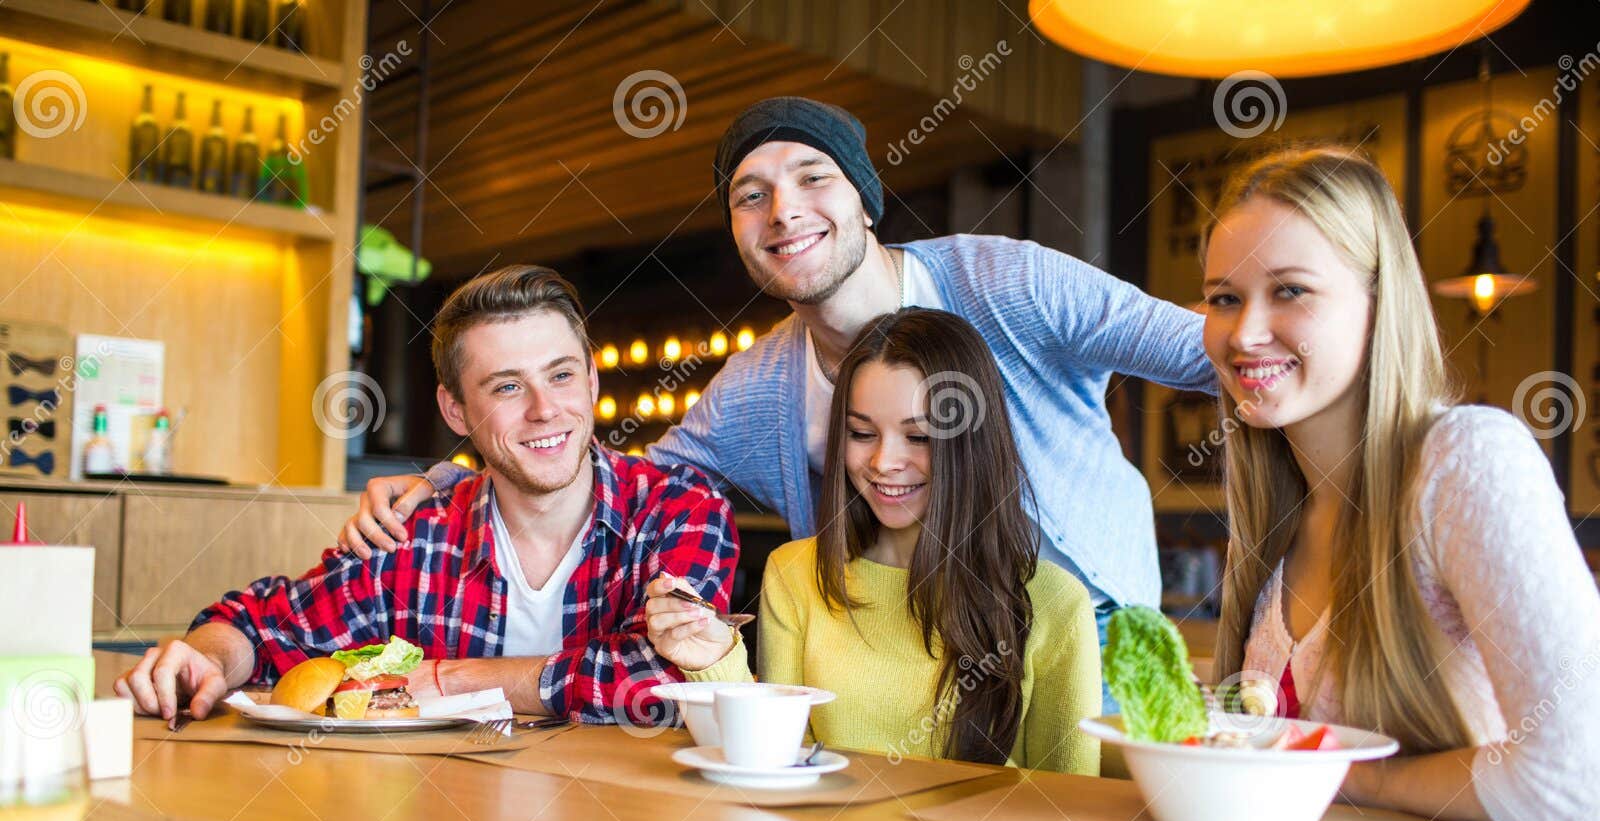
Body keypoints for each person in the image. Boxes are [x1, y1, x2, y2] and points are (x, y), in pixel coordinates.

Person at [336, 97, 1217, 709]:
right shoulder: (757, 389)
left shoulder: (1007, 283)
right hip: (908, 665)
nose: (782, 211)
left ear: (865, 201)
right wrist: (447, 478)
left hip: (1100, 632)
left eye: (812, 178)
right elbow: (613, 478)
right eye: (749, 196)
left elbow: (1214, 353)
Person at [114, 266, 739, 725]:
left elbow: (670, 675)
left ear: (592, 380)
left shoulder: (681, 510)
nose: (546, 409)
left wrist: (452, 679)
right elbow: (259, 624)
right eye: (506, 387)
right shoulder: (416, 532)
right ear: (455, 410)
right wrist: (205, 661)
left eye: (561, 375)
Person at [1201, 145, 1600, 821]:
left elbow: (1582, 783)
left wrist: (1352, 776)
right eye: (1224, 298)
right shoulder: (1272, 507)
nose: (1245, 332)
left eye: (1290, 290)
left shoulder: (1466, 461)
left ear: (1379, 304)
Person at [644, 308, 1101, 774]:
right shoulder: (795, 574)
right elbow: (777, 767)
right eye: (862, 433)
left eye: (918, 436)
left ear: (972, 442)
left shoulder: (1055, 603)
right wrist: (714, 659)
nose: (884, 462)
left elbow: (1071, 805)